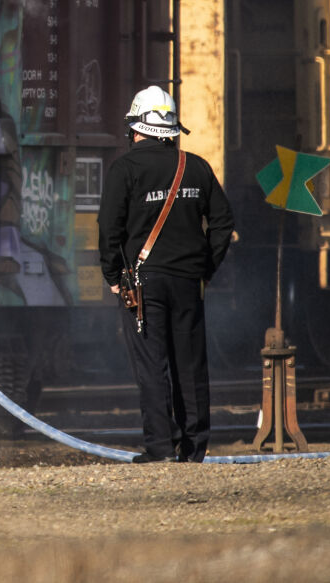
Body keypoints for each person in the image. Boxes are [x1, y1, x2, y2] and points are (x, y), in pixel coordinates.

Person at [99, 85, 233, 463]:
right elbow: (223, 222)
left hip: (143, 284)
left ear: (137, 128)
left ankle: (161, 448)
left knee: (152, 364)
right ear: (173, 130)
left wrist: (112, 276)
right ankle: (194, 449)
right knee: (190, 364)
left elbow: (109, 228)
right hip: (190, 282)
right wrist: (206, 267)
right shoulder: (197, 167)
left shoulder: (124, 169)